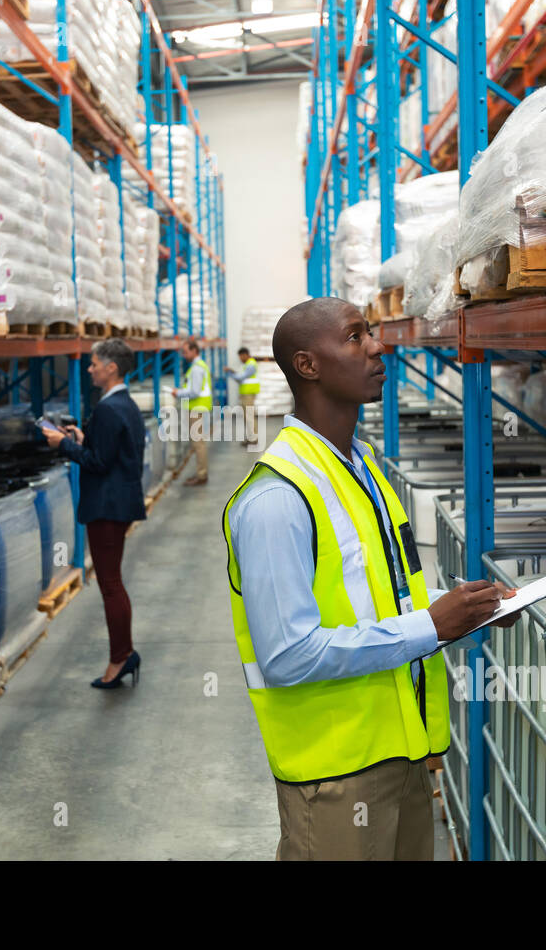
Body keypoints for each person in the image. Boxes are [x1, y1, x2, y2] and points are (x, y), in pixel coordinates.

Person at [221, 297, 524, 861]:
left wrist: (461, 607)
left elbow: (378, 599)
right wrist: (430, 628)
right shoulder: (276, 498)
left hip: (402, 756)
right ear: (308, 365)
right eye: (356, 337)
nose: (379, 347)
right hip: (335, 776)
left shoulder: (362, 468)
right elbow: (287, 655)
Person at [40, 338, 145, 689]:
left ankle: (120, 658)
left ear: (111, 367)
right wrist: (85, 439)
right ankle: (123, 653)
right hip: (120, 503)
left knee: (111, 584)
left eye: (94, 362)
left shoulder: (108, 409)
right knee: (113, 582)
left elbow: (99, 463)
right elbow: (111, 453)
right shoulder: (123, 405)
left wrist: (63, 444)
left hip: (107, 507)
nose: (89, 368)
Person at [171, 339, 211, 486]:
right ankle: (201, 473)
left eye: (186, 351)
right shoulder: (198, 366)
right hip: (197, 408)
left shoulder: (196, 368)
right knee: (198, 443)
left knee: (198, 443)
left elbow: (194, 392)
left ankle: (201, 476)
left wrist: (178, 393)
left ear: (194, 351)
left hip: (196, 409)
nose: (183, 354)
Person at [224, 346, 260, 448]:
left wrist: (230, 373)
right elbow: (241, 375)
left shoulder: (251, 365)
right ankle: (251, 438)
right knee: (247, 417)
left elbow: (241, 377)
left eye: (240, 356)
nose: (240, 359)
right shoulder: (248, 364)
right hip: (245, 394)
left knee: (249, 417)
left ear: (245, 355)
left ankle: (253, 439)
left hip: (248, 395)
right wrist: (233, 371)